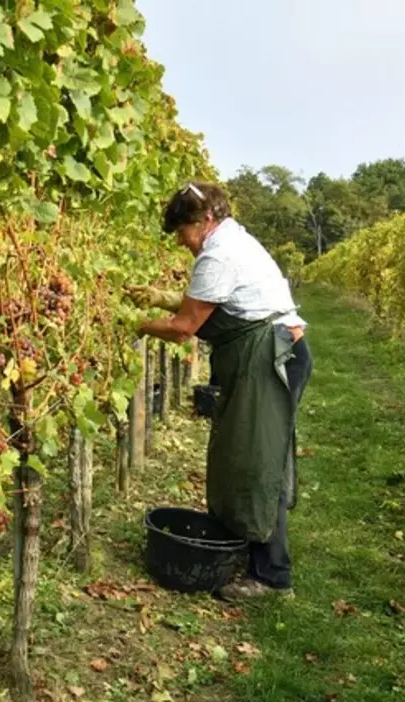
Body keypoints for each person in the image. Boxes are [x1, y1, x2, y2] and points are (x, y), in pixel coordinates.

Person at [127, 182, 313, 599]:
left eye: (182, 230)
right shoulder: (232, 242)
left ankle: (271, 578)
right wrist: (162, 297)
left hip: (269, 362)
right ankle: (248, 552)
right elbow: (212, 304)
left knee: (257, 464)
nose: (180, 240)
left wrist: (134, 323)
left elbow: (183, 329)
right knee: (243, 457)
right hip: (266, 357)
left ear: (205, 220)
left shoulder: (219, 254)